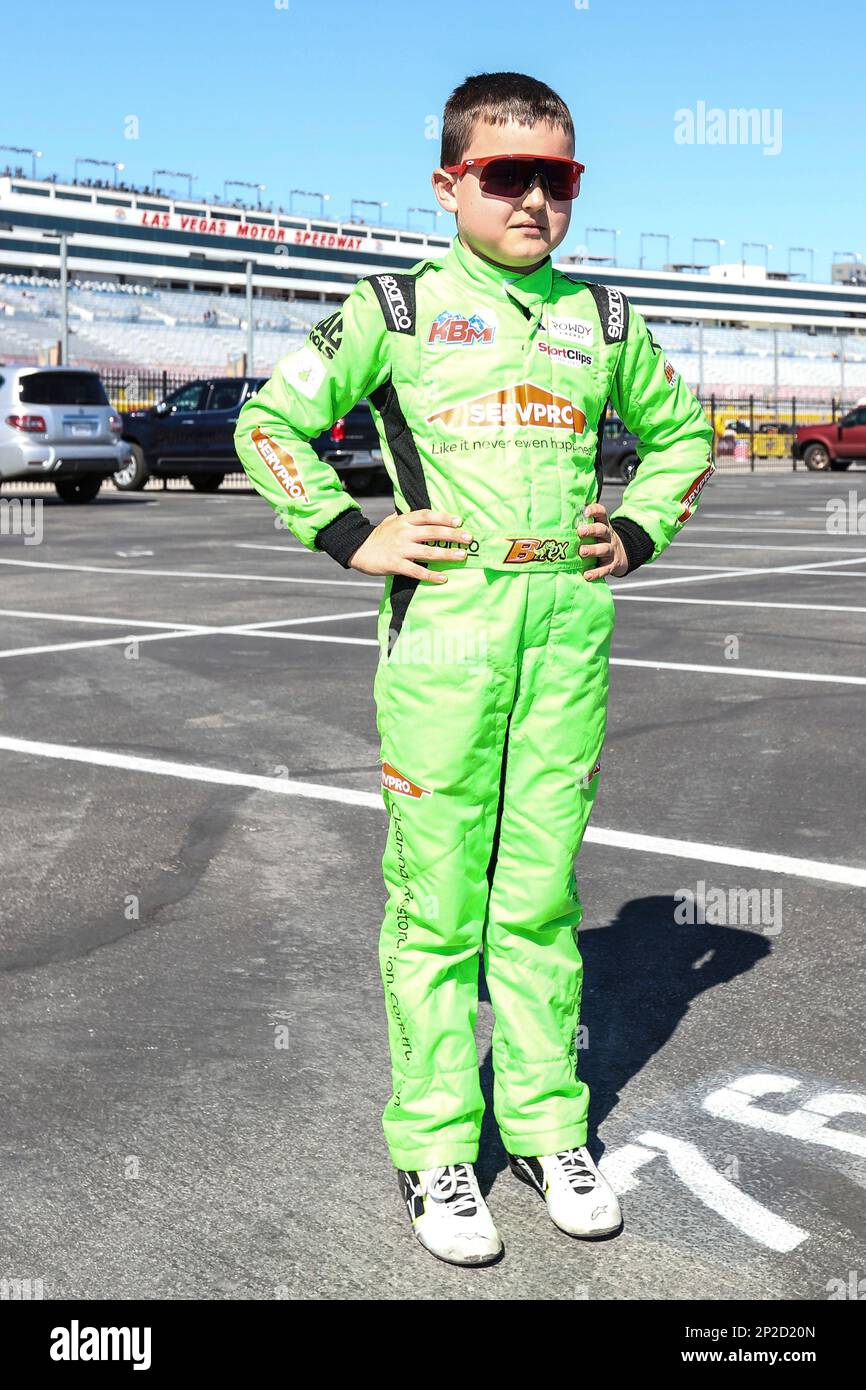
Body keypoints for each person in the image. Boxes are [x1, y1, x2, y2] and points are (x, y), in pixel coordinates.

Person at [233, 71, 714, 1268]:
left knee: (539, 899)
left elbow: (685, 434)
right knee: (436, 901)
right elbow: (268, 425)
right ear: (451, 182)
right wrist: (352, 532)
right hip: (445, 626)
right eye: (508, 175)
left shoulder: (603, 318)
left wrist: (642, 526)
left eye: (558, 176)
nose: (535, 198)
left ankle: (551, 1126)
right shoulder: (392, 307)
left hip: (566, 630)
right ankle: (436, 1148)